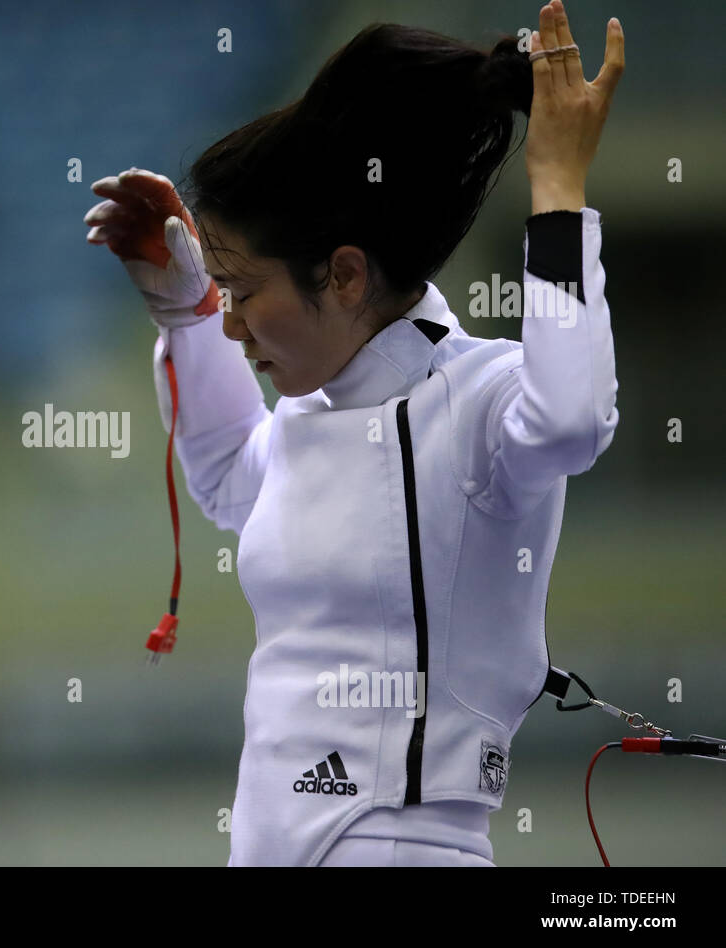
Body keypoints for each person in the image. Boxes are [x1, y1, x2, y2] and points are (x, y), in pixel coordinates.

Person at [84, 1, 624, 865]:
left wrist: (558, 194)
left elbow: (573, 417)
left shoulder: (480, 399)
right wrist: (184, 308)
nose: (231, 323)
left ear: (341, 275)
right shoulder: (311, 409)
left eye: (239, 290)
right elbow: (227, 473)